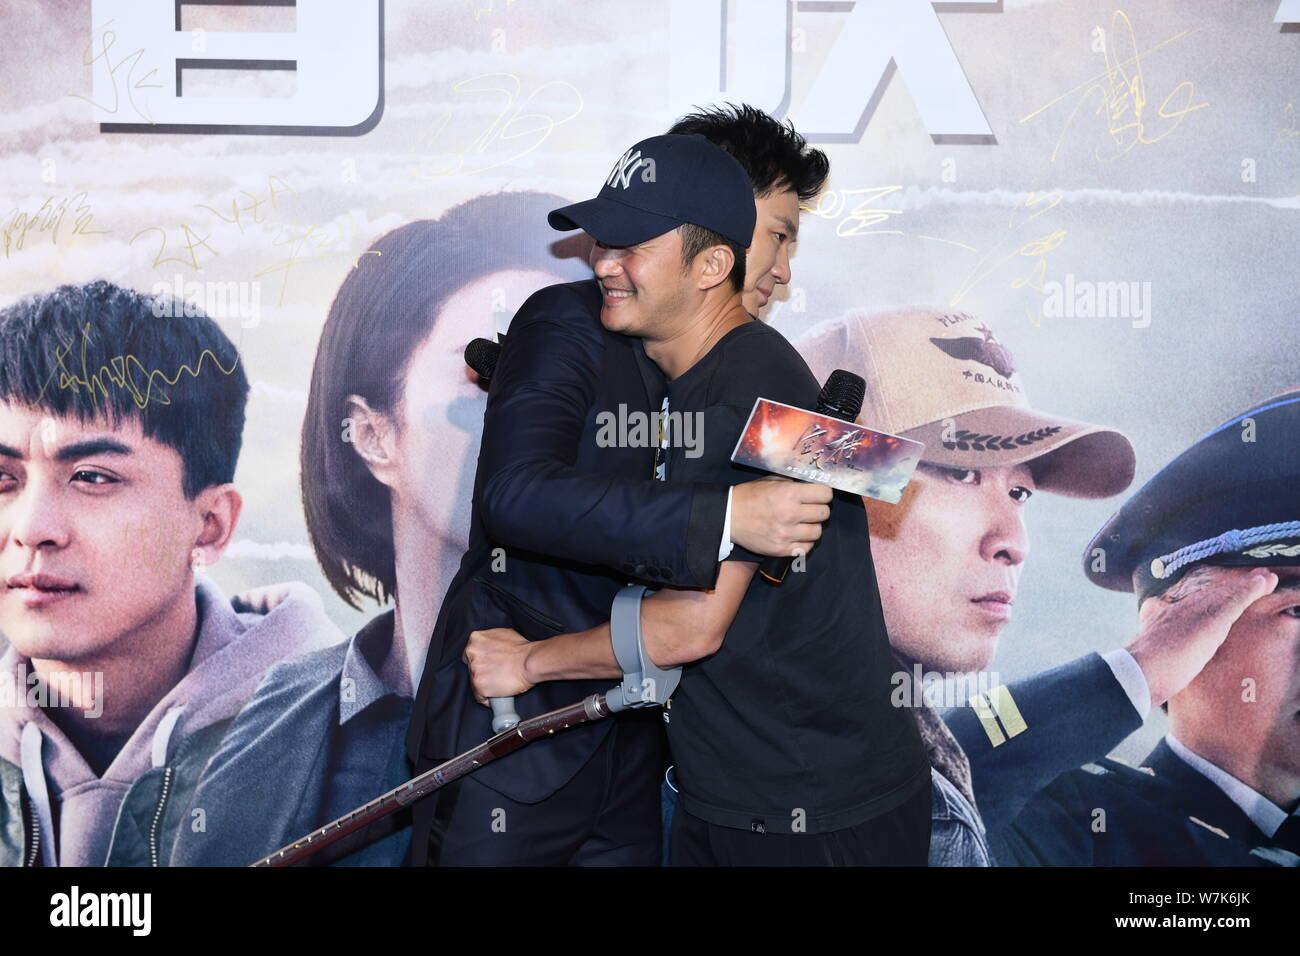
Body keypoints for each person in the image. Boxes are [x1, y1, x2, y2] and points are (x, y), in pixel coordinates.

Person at [174, 190, 816, 866]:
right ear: (372, 433)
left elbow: (857, 460)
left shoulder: (739, 399)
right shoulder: (251, 748)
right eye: (498, 373)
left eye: (591, 374)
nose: (557, 410)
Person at [464, 132, 932, 866]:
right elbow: (874, 469)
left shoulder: (743, 387)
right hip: (740, 795)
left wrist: (528, 665)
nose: (604, 265)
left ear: (712, 262)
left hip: (813, 814)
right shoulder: (720, 378)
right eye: (602, 241)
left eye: (632, 247)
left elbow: (689, 629)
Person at [0, 279, 340, 867]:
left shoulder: (353, 750)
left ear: (209, 525)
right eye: (4, 480)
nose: (33, 529)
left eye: (92, 477)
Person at [991, 387, 1299, 866]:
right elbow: (912, 799)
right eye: (1296, 611)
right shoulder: (1052, 824)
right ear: (1171, 630)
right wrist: (1130, 672)